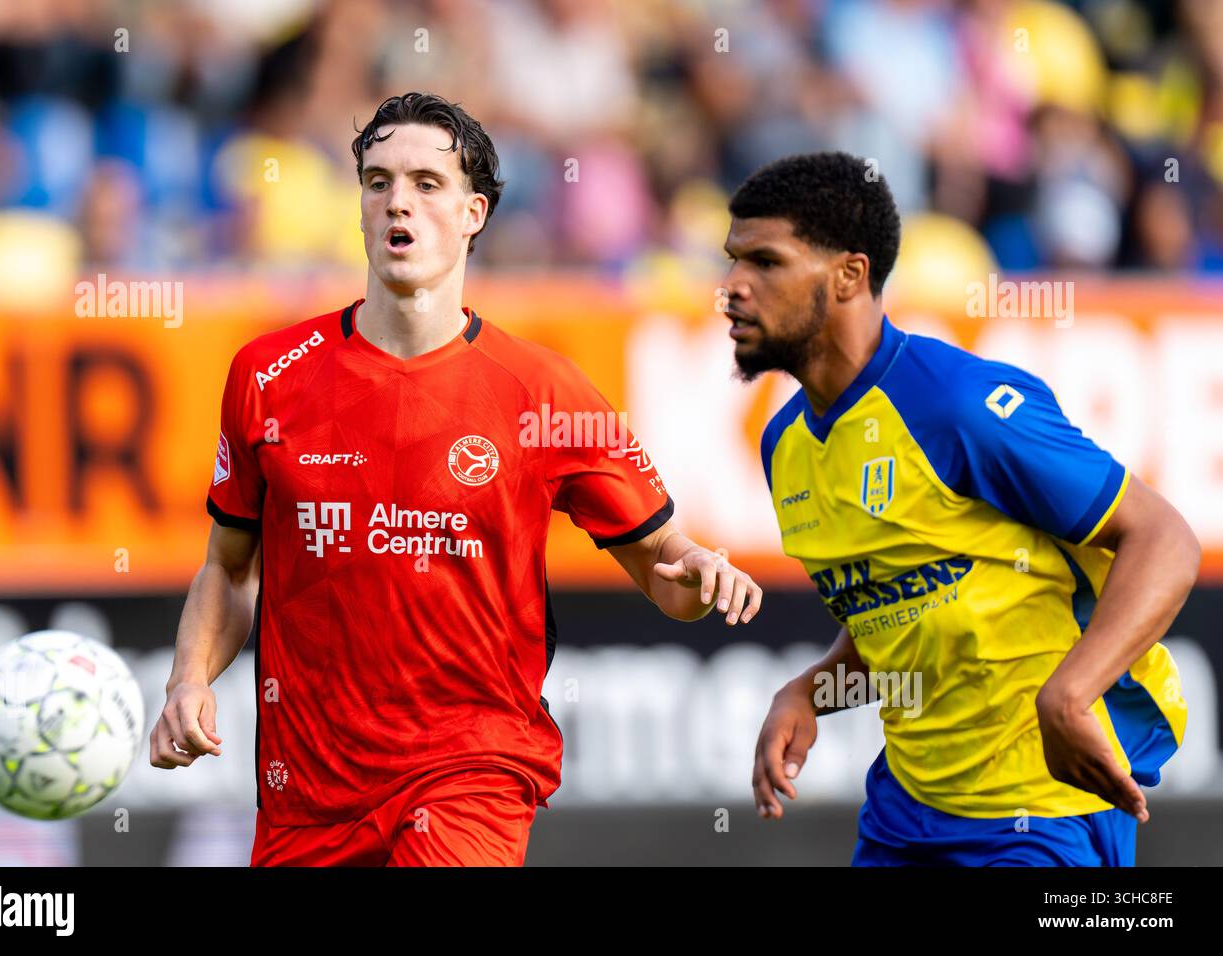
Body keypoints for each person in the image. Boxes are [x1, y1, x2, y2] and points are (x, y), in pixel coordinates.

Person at [149, 92, 763, 867]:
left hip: (472, 770)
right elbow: (230, 568)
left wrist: (701, 569)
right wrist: (186, 682)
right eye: (377, 182)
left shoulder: (544, 390)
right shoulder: (268, 375)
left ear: (474, 211)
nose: (397, 201)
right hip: (308, 797)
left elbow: (666, 574)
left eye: (425, 183)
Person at [729, 151, 1198, 866]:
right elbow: (900, 617)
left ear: (850, 275)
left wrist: (1071, 693)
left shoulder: (956, 406)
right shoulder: (783, 444)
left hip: (1040, 816)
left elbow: (1165, 538)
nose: (731, 288)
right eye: (732, 261)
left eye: (764, 262)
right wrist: (809, 691)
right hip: (903, 818)